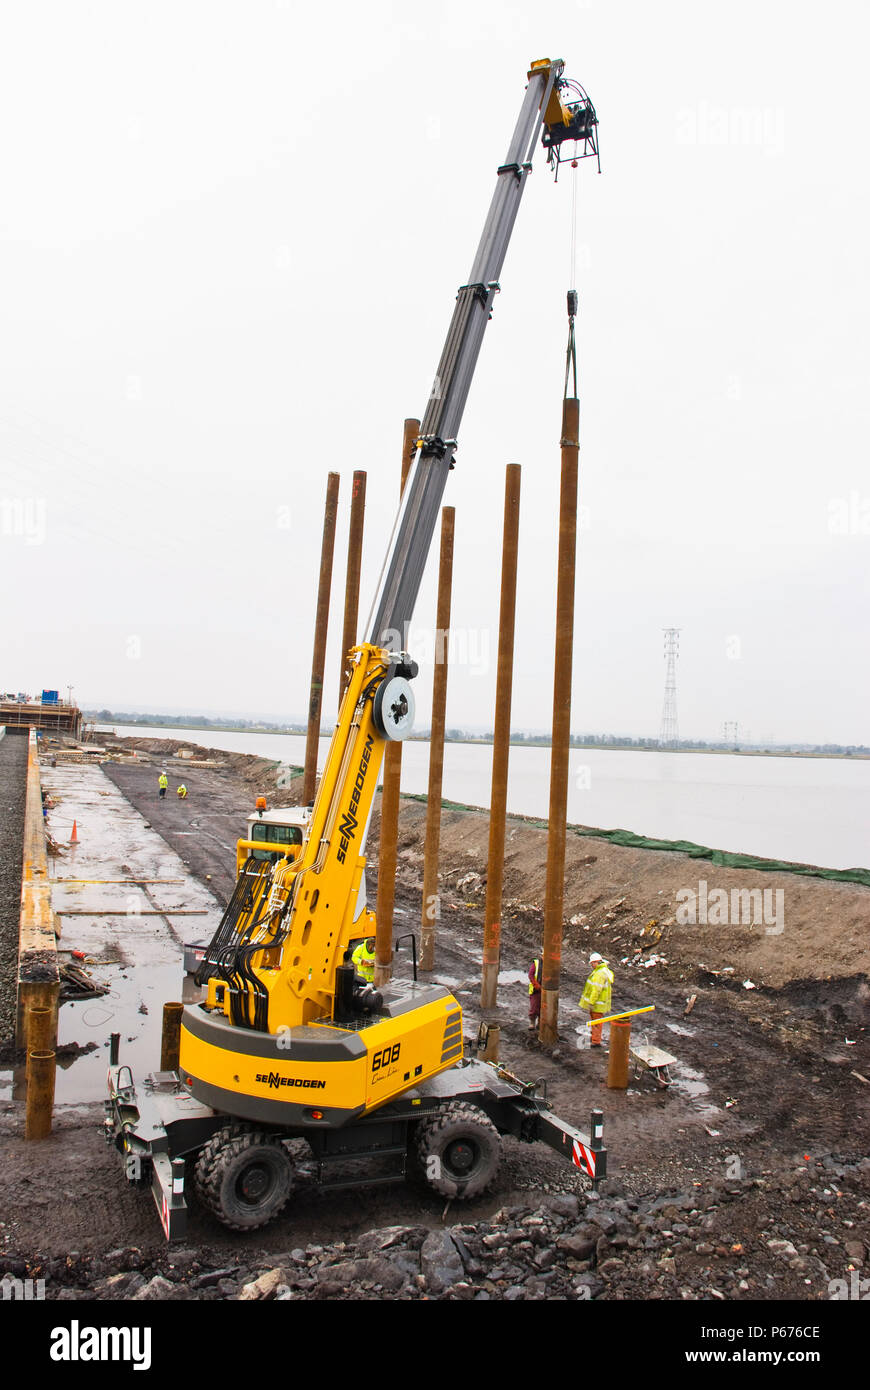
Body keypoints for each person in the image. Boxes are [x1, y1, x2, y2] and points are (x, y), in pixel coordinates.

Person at [580, 952, 613, 1047]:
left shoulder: (599, 974)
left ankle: (596, 1041)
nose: (591, 965)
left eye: (592, 963)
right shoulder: (603, 971)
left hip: (597, 1004)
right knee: (595, 1021)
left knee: (596, 1022)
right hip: (600, 1003)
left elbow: (596, 990)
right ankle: (595, 1038)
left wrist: (591, 1002)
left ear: (596, 962)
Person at [528, 952, 543, 1032]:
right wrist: (536, 985)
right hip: (536, 990)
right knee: (534, 1007)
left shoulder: (551, 964)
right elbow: (531, 975)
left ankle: (541, 1023)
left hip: (545, 990)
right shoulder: (536, 963)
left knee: (543, 1008)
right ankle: (532, 1021)